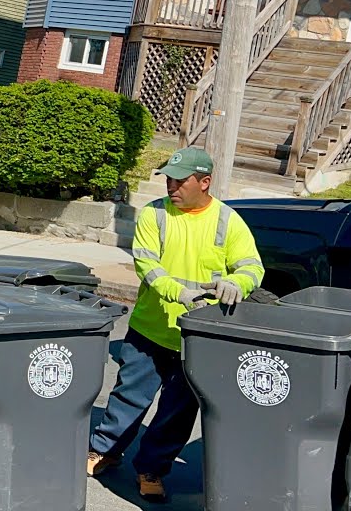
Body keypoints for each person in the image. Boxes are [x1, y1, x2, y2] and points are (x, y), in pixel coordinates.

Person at [87, 147, 265, 502]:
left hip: (199, 336)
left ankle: (151, 469)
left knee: (179, 410)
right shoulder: (154, 214)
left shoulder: (228, 221)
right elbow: (147, 266)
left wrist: (237, 283)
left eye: (180, 180)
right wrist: (178, 292)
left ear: (205, 182)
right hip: (152, 327)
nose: (171, 186)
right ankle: (105, 450)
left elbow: (252, 266)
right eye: (169, 178)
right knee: (128, 396)